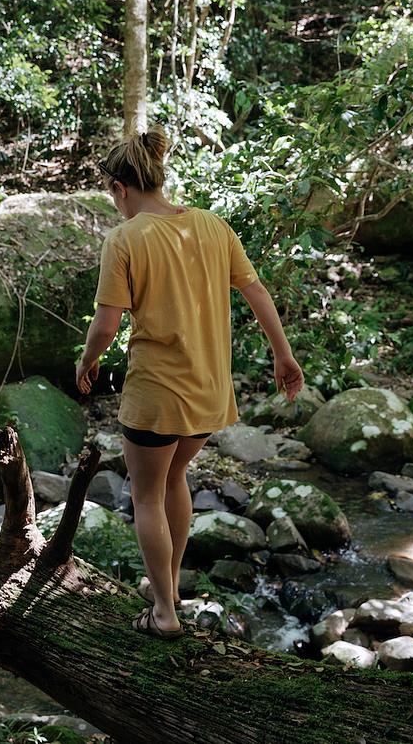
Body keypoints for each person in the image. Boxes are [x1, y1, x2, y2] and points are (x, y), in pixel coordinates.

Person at [75, 127, 304, 640]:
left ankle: (163, 611)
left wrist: (87, 362)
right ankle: (169, 588)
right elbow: (255, 290)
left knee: (147, 495)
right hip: (206, 390)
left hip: (157, 393)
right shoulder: (212, 226)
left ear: (120, 187)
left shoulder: (125, 238)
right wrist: (282, 354)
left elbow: (107, 324)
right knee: (175, 478)